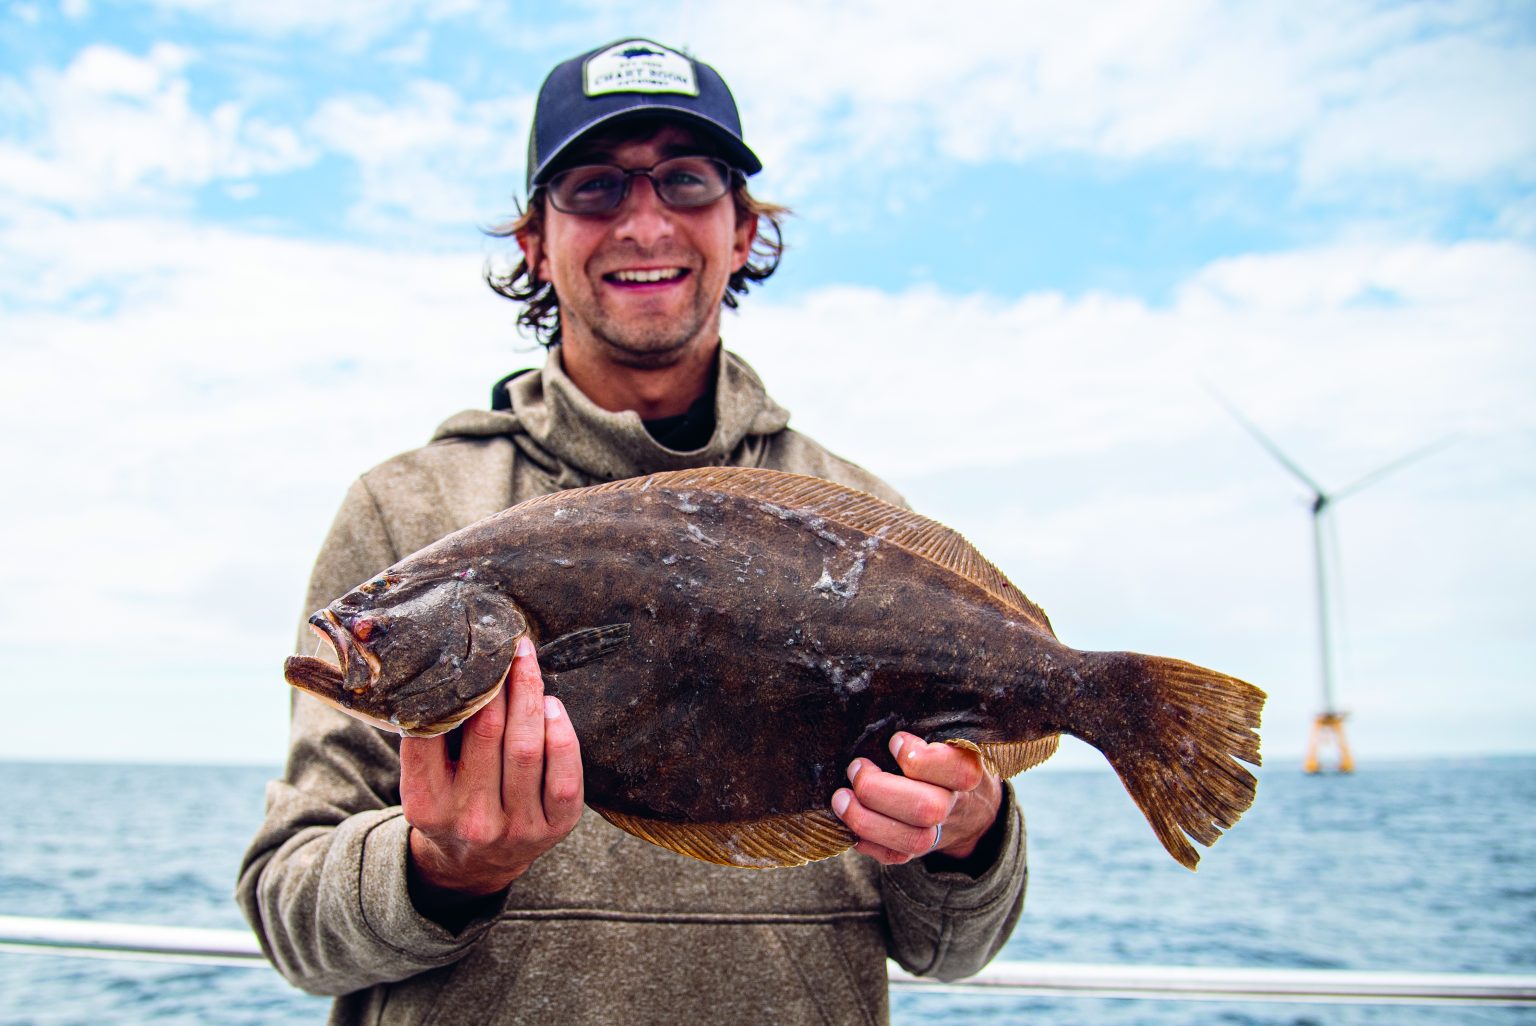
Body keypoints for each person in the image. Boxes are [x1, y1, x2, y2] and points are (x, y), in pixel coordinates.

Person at [238, 38, 1026, 1025]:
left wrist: (968, 829)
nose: (645, 222)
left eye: (688, 182)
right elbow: (289, 919)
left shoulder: (864, 521)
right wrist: (439, 868)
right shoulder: (407, 512)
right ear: (535, 240)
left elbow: (953, 949)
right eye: (595, 187)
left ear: (742, 230)